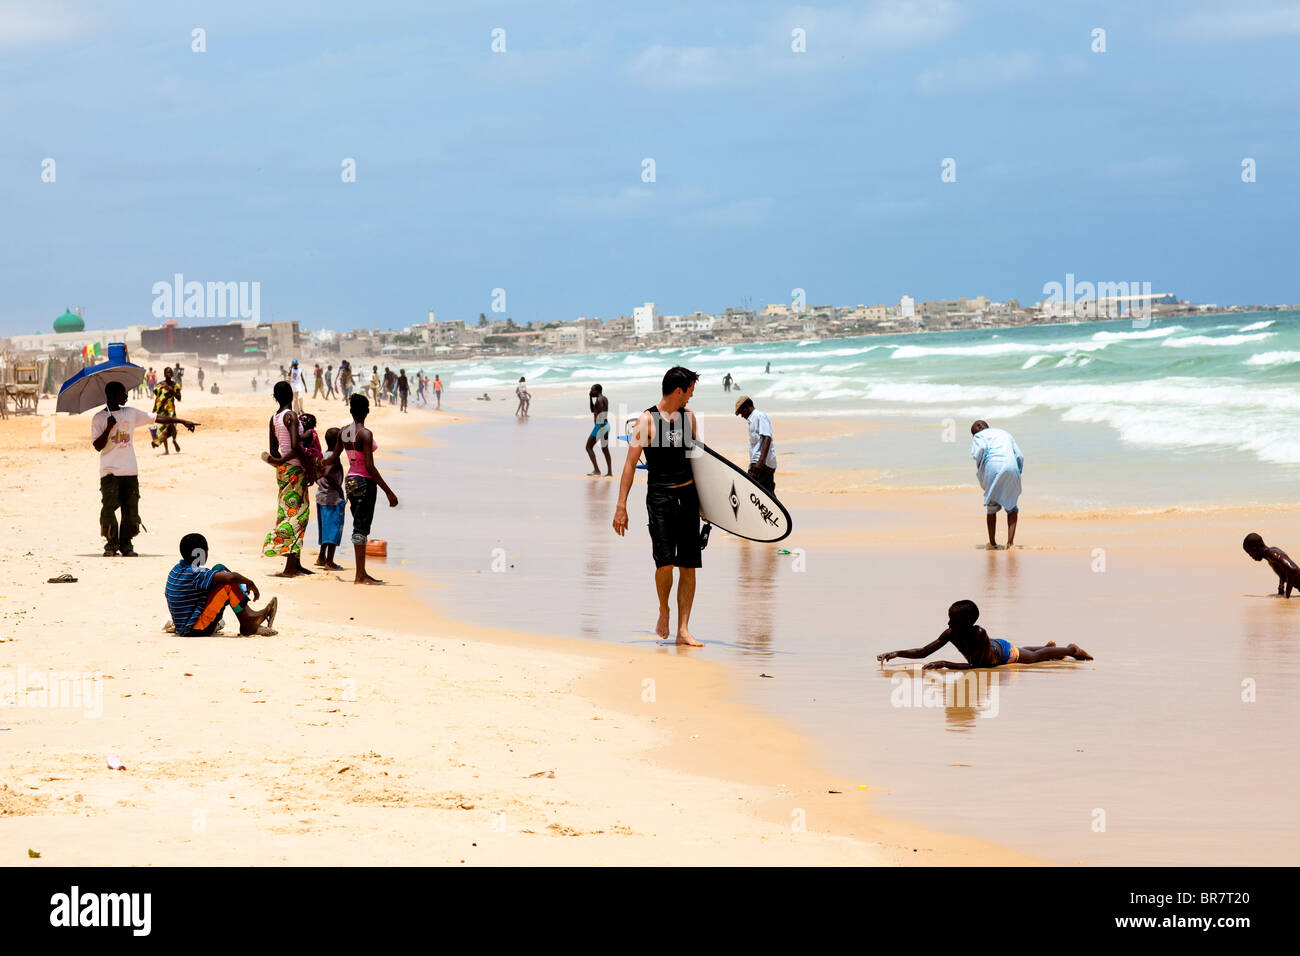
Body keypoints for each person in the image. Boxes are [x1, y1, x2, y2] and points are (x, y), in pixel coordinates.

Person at [612, 366, 703, 646]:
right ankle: (664, 608)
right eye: (689, 391)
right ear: (678, 391)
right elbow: (630, 464)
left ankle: (683, 629)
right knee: (665, 563)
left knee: (688, 565)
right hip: (660, 499)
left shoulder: (689, 418)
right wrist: (621, 506)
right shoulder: (646, 421)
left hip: (688, 497)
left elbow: (699, 462)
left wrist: (707, 504)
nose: (691, 396)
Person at [91, 380, 198, 557]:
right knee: (109, 509)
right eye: (122, 392)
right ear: (111, 395)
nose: (126, 395)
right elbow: (97, 446)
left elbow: (156, 417)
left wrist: (181, 421)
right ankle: (111, 545)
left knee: (131, 511)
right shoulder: (99, 418)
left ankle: (126, 545)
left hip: (130, 471)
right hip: (109, 472)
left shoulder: (131, 413)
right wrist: (108, 428)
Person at [877, 600, 1092, 669]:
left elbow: (977, 667)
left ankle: (1070, 649)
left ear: (968, 623)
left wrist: (945, 663)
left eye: (953, 620)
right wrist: (896, 653)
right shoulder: (951, 632)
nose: (948, 623)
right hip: (990, 647)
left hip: (1001, 653)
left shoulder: (980, 634)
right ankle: (1049, 647)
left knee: (1034, 657)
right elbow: (924, 652)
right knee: (1028, 650)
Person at [332, 393, 399, 585]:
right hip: (364, 483)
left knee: (358, 525)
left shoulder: (343, 432)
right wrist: (388, 491)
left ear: (351, 411)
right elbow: (369, 466)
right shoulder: (365, 434)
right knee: (361, 527)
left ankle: (362, 573)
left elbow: (334, 457)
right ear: (367, 411)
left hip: (350, 481)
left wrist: (320, 464)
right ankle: (360, 575)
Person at [165, 533, 278, 637]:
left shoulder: (177, 569)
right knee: (228, 584)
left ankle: (249, 615)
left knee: (219, 568)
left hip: (184, 624)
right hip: (194, 629)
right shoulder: (196, 574)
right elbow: (232, 577)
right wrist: (250, 583)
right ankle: (247, 624)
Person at [261, 381, 314, 577]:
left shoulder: (274, 418)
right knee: (299, 515)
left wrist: (281, 462)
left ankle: (296, 563)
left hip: (283, 471)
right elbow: (296, 445)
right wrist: (310, 469)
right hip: (295, 471)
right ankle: (290, 567)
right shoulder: (290, 415)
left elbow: (273, 449)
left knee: (289, 512)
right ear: (291, 395)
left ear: (275, 397)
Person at [970, 420, 1024, 550]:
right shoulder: (1004, 433)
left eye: (979, 424)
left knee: (991, 506)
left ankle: (992, 543)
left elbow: (979, 452)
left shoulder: (978, 436)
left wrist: (982, 471)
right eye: (977, 425)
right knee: (1012, 507)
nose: (979, 425)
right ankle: (1010, 544)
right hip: (1011, 465)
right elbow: (1020, 456)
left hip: (992, 465)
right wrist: (1017, 471)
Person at [315, 426, 346, 570]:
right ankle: (330, 561)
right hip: (332, 499)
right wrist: (339, 489)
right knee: (333, 530)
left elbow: (318, 473)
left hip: (322, 496)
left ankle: (321, 557)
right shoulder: (333, 458)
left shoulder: (323, 455)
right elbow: (327, 473)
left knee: (325, 529)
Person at [734, 395, 776, 494]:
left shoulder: (759, 416)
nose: (742, 416)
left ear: (746, 407)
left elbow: (767, 438)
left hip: (761, 464)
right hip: (763, 464)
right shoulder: (753, 420)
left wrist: (760, 462)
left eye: (741, 412)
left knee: (747, 489)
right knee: (768, 494)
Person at [150, 366, 183, 454]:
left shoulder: (175, 385)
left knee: (172, 426)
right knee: (163, 428)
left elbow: (179, 398)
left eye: (171, 372)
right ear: (164, 374)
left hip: (170, 409)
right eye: (168, 372)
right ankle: (166, 450)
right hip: (162, 410)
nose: (170, 373)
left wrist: (171, 390)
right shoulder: (160, 385)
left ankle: (174, 440)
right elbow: (156, 394)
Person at [586, 384, 611, 476]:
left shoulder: (599, 400)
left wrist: (601, 428)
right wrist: (590, 398)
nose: (591, 392)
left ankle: (597, 470)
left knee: (588, 447)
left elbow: (602, 414)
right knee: (605, 449)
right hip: (606, 425)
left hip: (600, 426)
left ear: (597, 391)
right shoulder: (604, 398)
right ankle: (609, 472)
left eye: (592, 390)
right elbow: (593, 410)